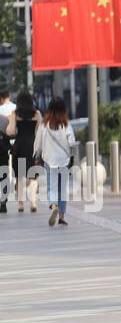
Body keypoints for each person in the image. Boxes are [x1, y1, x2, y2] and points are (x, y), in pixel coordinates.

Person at [35, 98, 74, 226]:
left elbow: (38, 143)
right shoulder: (66, 124)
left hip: (49, 160)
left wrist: (37, 155)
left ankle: (53, 206)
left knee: (51, 187)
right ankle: (61, 217)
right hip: (63, 161)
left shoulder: (44, 125)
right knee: (62, 188)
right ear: (64, 109)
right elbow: (72, 142)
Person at [5, 91, 41, 214]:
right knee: (33, 176)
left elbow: (11, 131)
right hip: (32, 147)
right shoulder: (36, 114)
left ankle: (20, 204)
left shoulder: (15, 114)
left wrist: (11, 120)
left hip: (19, 146)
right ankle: (33, 201)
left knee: (20, 176)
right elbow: (40, 132)